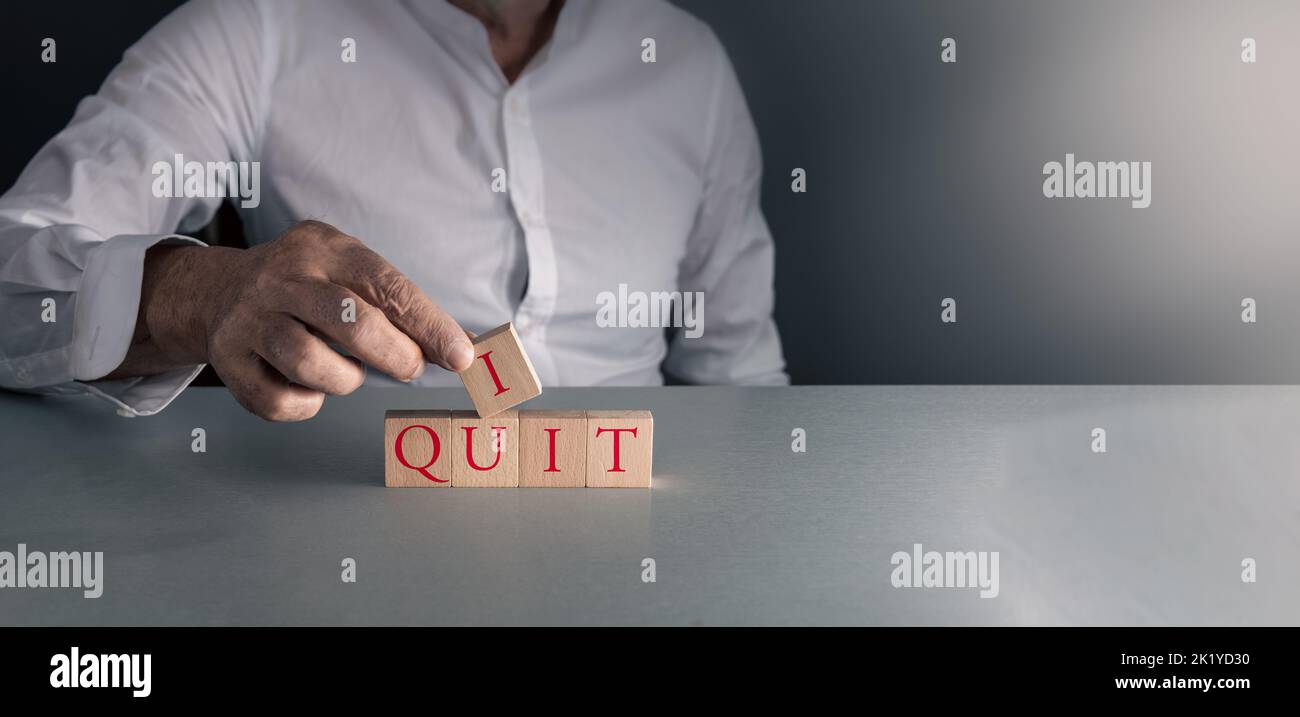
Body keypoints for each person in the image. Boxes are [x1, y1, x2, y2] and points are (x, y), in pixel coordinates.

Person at [0, 0, 786, 421]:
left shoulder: (689, 65)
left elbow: (743, 383)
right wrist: (197, 296)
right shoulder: (261, 26)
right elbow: (10, 280)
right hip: (344, 552)